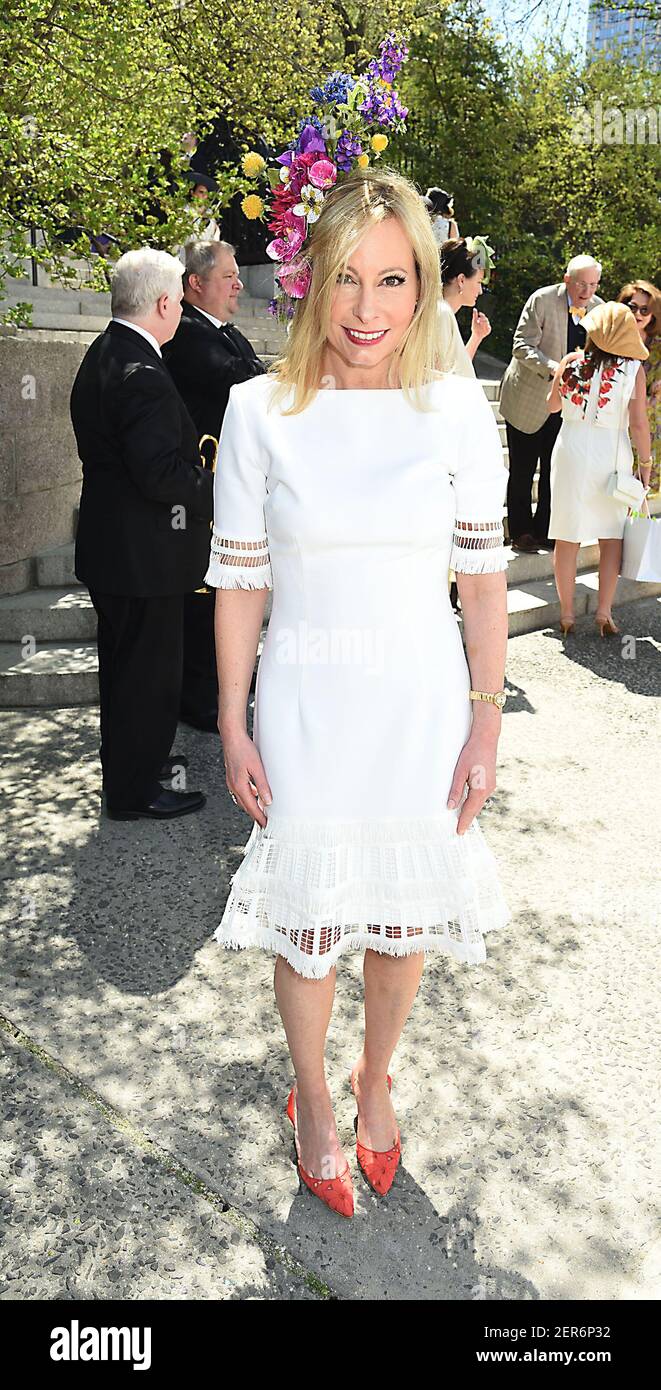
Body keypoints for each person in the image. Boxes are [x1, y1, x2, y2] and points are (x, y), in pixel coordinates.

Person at [205, 166, 511, 1219]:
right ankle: (314, 1102)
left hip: (419, 704)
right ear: (309, 283)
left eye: (393, 280)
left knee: (400, 921)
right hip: (304, 705)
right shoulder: (257, 412)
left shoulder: (458, 415)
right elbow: (241, 582)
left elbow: (479, 579)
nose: (368, 310)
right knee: (313, 926)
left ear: (424, 286)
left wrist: (484, 721)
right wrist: (233, 718)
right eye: (346, 280)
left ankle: (374, 1081)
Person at [70, 248, 213, 819]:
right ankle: (135, 792)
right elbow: (160, 475)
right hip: (143, 560)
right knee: (147, 682)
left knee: (127, 675)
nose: (180, 309)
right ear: (162, 302)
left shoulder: (105, 351)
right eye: (179, 300)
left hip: (118, 554)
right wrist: (216, 483)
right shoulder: (143, 372)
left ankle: (129, 779)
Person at [162, 240, 266, 731]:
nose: (238, 283)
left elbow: (251, 374)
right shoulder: (186, 331)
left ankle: (224, 683)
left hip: (227, 486)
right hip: (201, 489)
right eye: (227, 276)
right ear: (194, 285)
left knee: (224, 587)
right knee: (205, 593)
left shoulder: (227, 332)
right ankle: (200, 696)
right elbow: (239, 381)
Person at [547, 301, 651, 637]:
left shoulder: (572, 362)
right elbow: (638, 424)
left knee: (567, 535)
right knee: (611, 536)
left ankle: (566, 614)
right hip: (611, 454)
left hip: (571, 451)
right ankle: (604, 612)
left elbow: (552, 406)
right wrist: (646, 464)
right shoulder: (634, 370)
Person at [500, 255, 603, 553]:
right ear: (567, 279)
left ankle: (546, 529)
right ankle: (520, 531)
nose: (587, 291)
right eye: (582, 284)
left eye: (594, 284)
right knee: (522, 469)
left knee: (553, 469)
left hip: (568, 405)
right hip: (528, 397)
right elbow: (521, 345)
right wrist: (556, 369)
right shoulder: (542, 300)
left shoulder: (599, 308)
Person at [617, 280, 661, 498]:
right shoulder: (612, 341)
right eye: (633, 307)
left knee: (644, 491)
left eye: (645, 309)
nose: (638, 313)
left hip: (652, 425)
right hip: (618, 423)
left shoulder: (659, 345)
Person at [441, 236, 494, 365]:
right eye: (478, 282)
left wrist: (477, 336)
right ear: (461, 280)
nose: (480, 291)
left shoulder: (443, 313)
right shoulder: (441, 315)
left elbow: (458, 368)